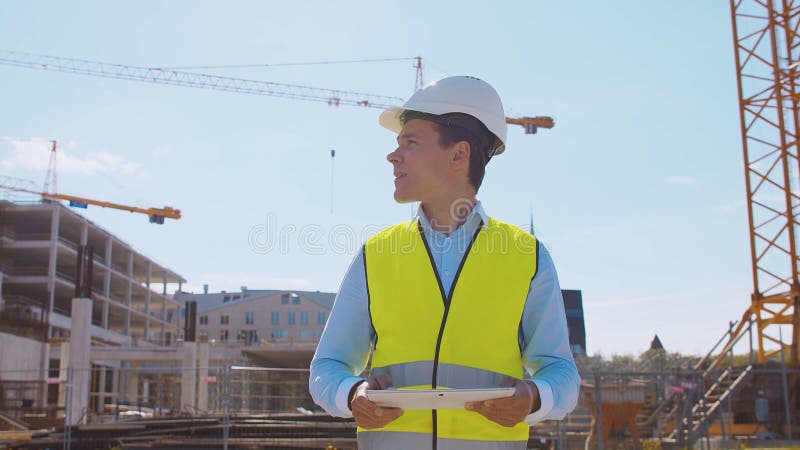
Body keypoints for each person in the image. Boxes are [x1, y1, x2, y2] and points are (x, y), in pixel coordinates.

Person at [309, 75, 580, 449]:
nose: (393, 155)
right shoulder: (376, 254)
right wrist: (351, 393)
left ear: (458, 155)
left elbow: (562, 373)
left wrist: (535, 396)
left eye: (411, 143)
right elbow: (327, 367)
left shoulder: (526, 256)